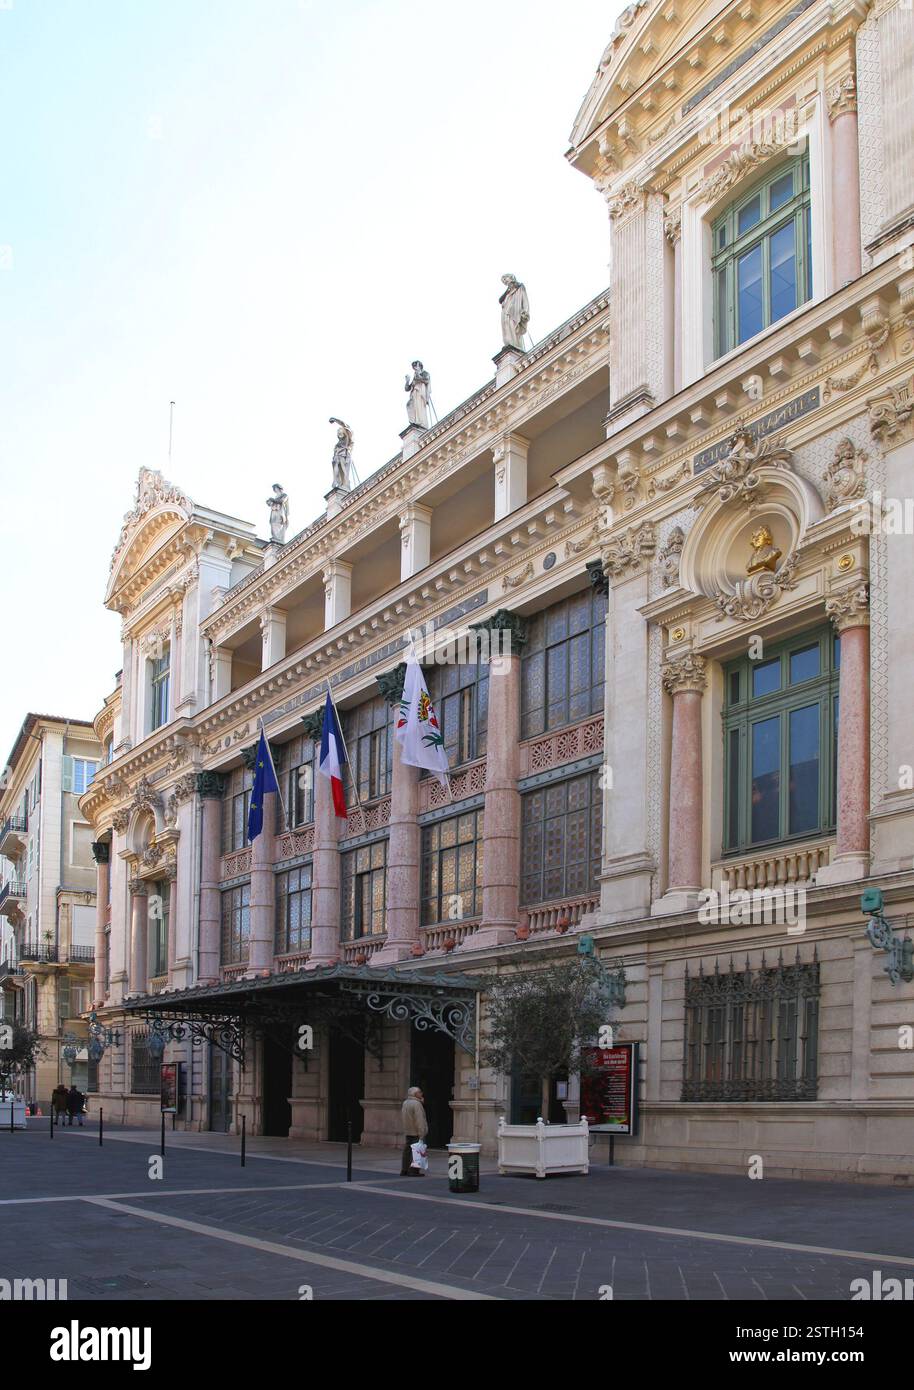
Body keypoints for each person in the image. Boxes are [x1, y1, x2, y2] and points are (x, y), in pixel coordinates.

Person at [400, 1085, 428, 1176]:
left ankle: (404, 1169)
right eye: (419, 1092)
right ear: (415, 1094)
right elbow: (419, 1120)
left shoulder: (406, 1102)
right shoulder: (416, 1104)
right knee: (417, 1151)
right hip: (416, 1131)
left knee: (407, 1150)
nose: (421, 1093)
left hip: (408, 1130)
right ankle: (413, 1170)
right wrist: (422, 1132)